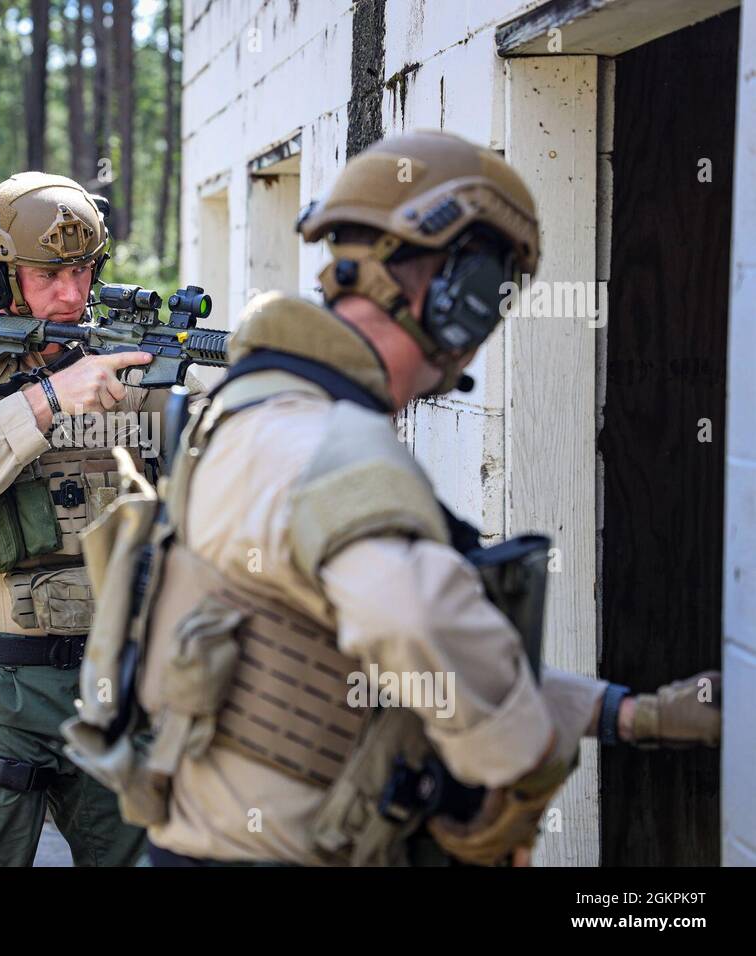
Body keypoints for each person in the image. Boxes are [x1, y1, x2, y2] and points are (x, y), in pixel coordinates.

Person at [62, 131, 722, 867]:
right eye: (497, 291)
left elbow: (368, 656)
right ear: (465, 293)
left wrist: (630, 715)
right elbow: (407, 615)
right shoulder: (325, 439)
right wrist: (521, 768)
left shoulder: (255, 412)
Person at [0, 172, 193, 866]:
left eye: (83, 271)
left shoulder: (125, 371)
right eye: (48, 275)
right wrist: (51, 398)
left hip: (117, 678)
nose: (72, 295)